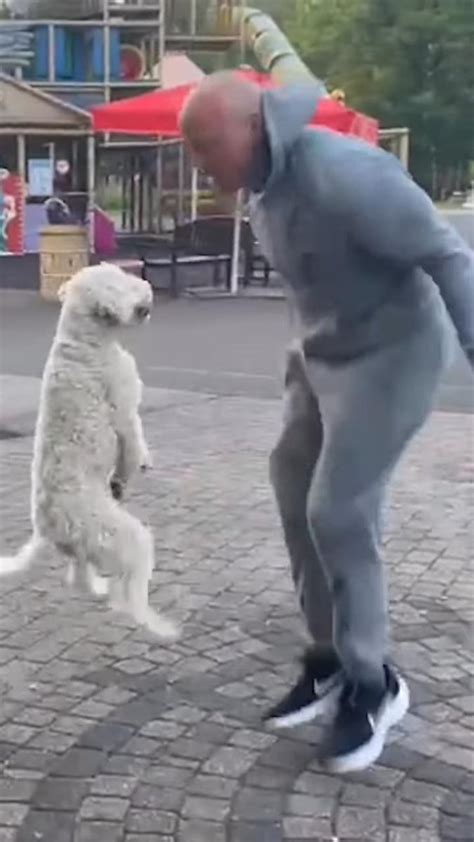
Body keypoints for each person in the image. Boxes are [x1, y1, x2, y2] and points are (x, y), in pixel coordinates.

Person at [179, 72, 474, 773]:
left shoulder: (346, 174)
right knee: (291, 487)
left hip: (394, 353)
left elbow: (447, 252)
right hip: (321, 351)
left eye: (206, 147)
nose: (198, 165)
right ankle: (329, 656)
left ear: (254, 129)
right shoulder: (260, 181)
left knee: (339, 510)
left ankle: (374, 683)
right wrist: (301, 356)